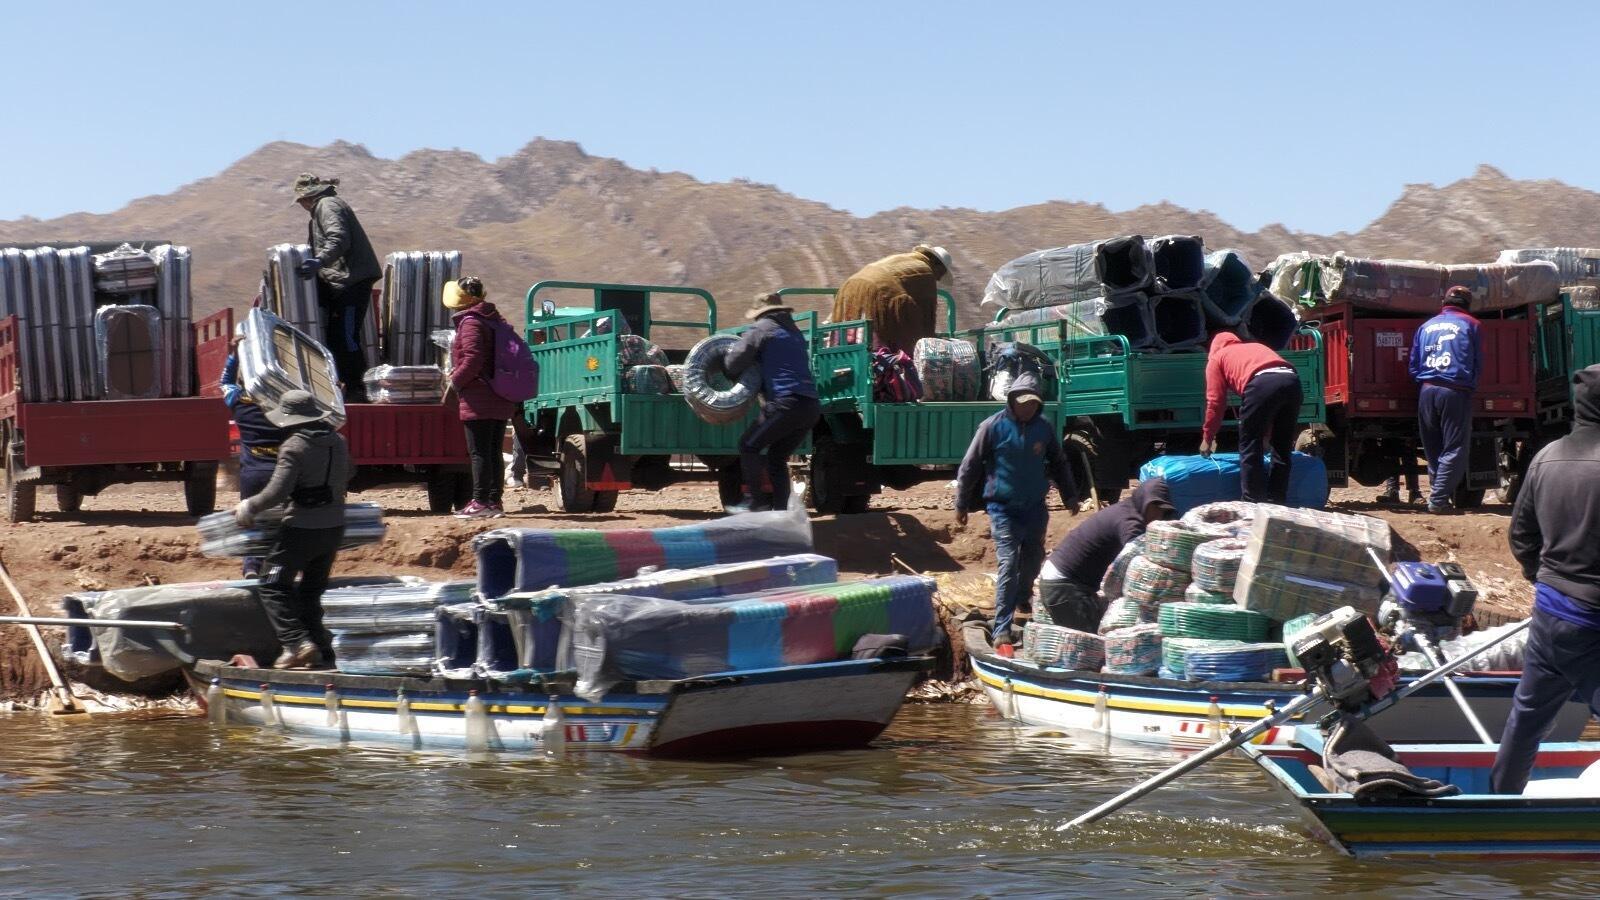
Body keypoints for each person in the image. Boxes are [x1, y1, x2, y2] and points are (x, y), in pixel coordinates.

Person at [1492, 365, 1600, 794]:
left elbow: (1521, 535)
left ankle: (1500, 802)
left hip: (1551, 612)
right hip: (1591, 620)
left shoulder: (1546, 456)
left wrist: (1545, 578)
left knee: (1527, 717)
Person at [955, 372, 1079, 648]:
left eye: (1033, 403)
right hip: (1003, 509)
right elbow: (970, 466)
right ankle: (1002, 627)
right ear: (1012, 401)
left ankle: (1022, 597)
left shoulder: (1043, 428)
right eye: (1023, 403)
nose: (1028, 408)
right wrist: (961, 503)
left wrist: (1070, 495)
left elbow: (1059, 462)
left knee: (1033, 560)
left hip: (1034, 508)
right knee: (1009, 564)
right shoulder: (992, 427)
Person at [234, 390, 352, 670]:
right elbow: (350, 473)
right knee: (311, 590)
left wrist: (249, 506)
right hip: (334, 527)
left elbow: (277, 492)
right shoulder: (338, 441)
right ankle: (321, 648)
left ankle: (296, 644)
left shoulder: (294, 446)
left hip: (301, 528)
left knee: (272, 584)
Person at [722, 292, 821, 512]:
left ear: (760, 313)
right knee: (777, 457)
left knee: (748, 446)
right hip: (810, 407)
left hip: (786, 403)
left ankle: (756, 503)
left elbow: (733, 363)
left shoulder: (762, 328)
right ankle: (781, 511)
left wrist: (727, 367)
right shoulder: (793, 331)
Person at [1038, 479, 1175, 631]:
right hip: (1063, 585)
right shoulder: (1130, 523)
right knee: (1090, 641)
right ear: (1144, 501)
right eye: (1155, 508)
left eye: (1162, 511)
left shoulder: (1126, 510)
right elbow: (1139, 564)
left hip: (1065, 580)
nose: (1158, 515)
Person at [292, 173, 382, 402]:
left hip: (351, 282)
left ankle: (357, 389)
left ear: (307, 197)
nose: (301, 206)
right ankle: (346, 385)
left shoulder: (327, 206)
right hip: (342, 281)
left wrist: (319, 261)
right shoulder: (323, 208)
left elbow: (339, 238)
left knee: (345, 336)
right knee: (336, 336)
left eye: (301, 201)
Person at [220, 330, 292, 578]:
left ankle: (252, 567)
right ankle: (278, 569)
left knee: (251, 518)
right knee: (283, 522)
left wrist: (234, 355)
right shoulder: (286, 406)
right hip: (282, 474)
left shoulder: (239, 402)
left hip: (252, 474)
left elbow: (225, 382)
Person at [1201, 332, 1303, 504]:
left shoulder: (1217, 358)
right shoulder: (1255, 346)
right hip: (1292, 381)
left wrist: (1207, 437)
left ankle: (1252, 502)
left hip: (1262, 383)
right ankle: (1277, 501)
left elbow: (1215, 402)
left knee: (1250, 443)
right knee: (1282, 446)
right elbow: (1274, 395)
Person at [445, 276, 516, 519]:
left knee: (479, 452)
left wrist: (455, 383)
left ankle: (480, 501)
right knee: (493, 451)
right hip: (500, 394)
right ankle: (494, 502)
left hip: (479, 397)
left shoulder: (471, 323)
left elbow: (472, 360)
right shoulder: (495, 320)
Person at [1409, 285, 1482, 514]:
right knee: (1455, 448)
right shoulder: (1472, 324)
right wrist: (1469, 384)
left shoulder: (1426, 326)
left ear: (1444, 302)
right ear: (1468, 304)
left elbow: (1414, 364)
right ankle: (1439, 500)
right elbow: (1477, 362)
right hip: (1455, 390)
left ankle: (1438, 496)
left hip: (1427, 390)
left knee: (1433, 448)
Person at [830, 245, 953, 352]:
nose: (938, 279)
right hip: (878, 290)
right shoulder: (926, 272)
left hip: (850, 286)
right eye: (940, 274)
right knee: (903, 327)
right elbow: (927, 313)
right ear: (937, 266)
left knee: (856, 325)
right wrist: (929, 344)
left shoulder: (905, 259)